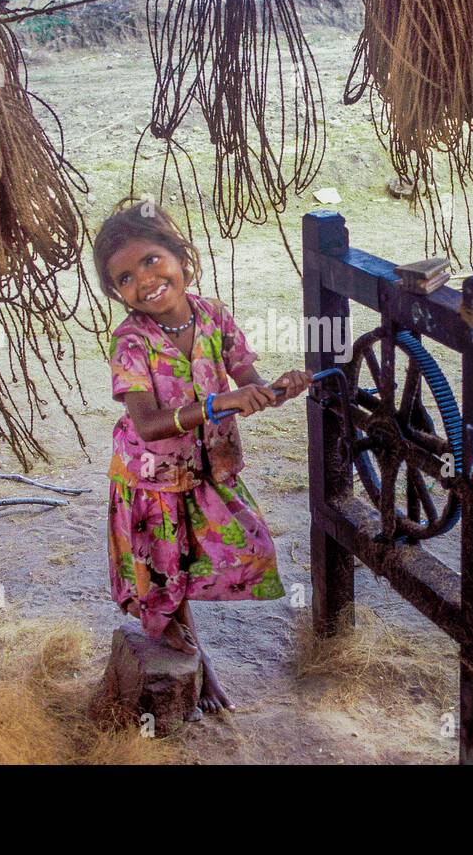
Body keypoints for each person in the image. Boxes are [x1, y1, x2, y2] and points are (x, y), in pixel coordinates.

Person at [93, 199, 312, 712]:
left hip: (209, 466)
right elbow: (147, 423)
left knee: (246, 545)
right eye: (124, 277)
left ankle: (193, 658)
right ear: (116, 293)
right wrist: (219, 402)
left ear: (179, 256)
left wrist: (283, 387)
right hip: (152, 476)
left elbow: (251, 386)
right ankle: (201, 669)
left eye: (150, 260)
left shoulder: (212, 314)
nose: (144, 280)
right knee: (169, 574)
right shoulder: (131, 341)